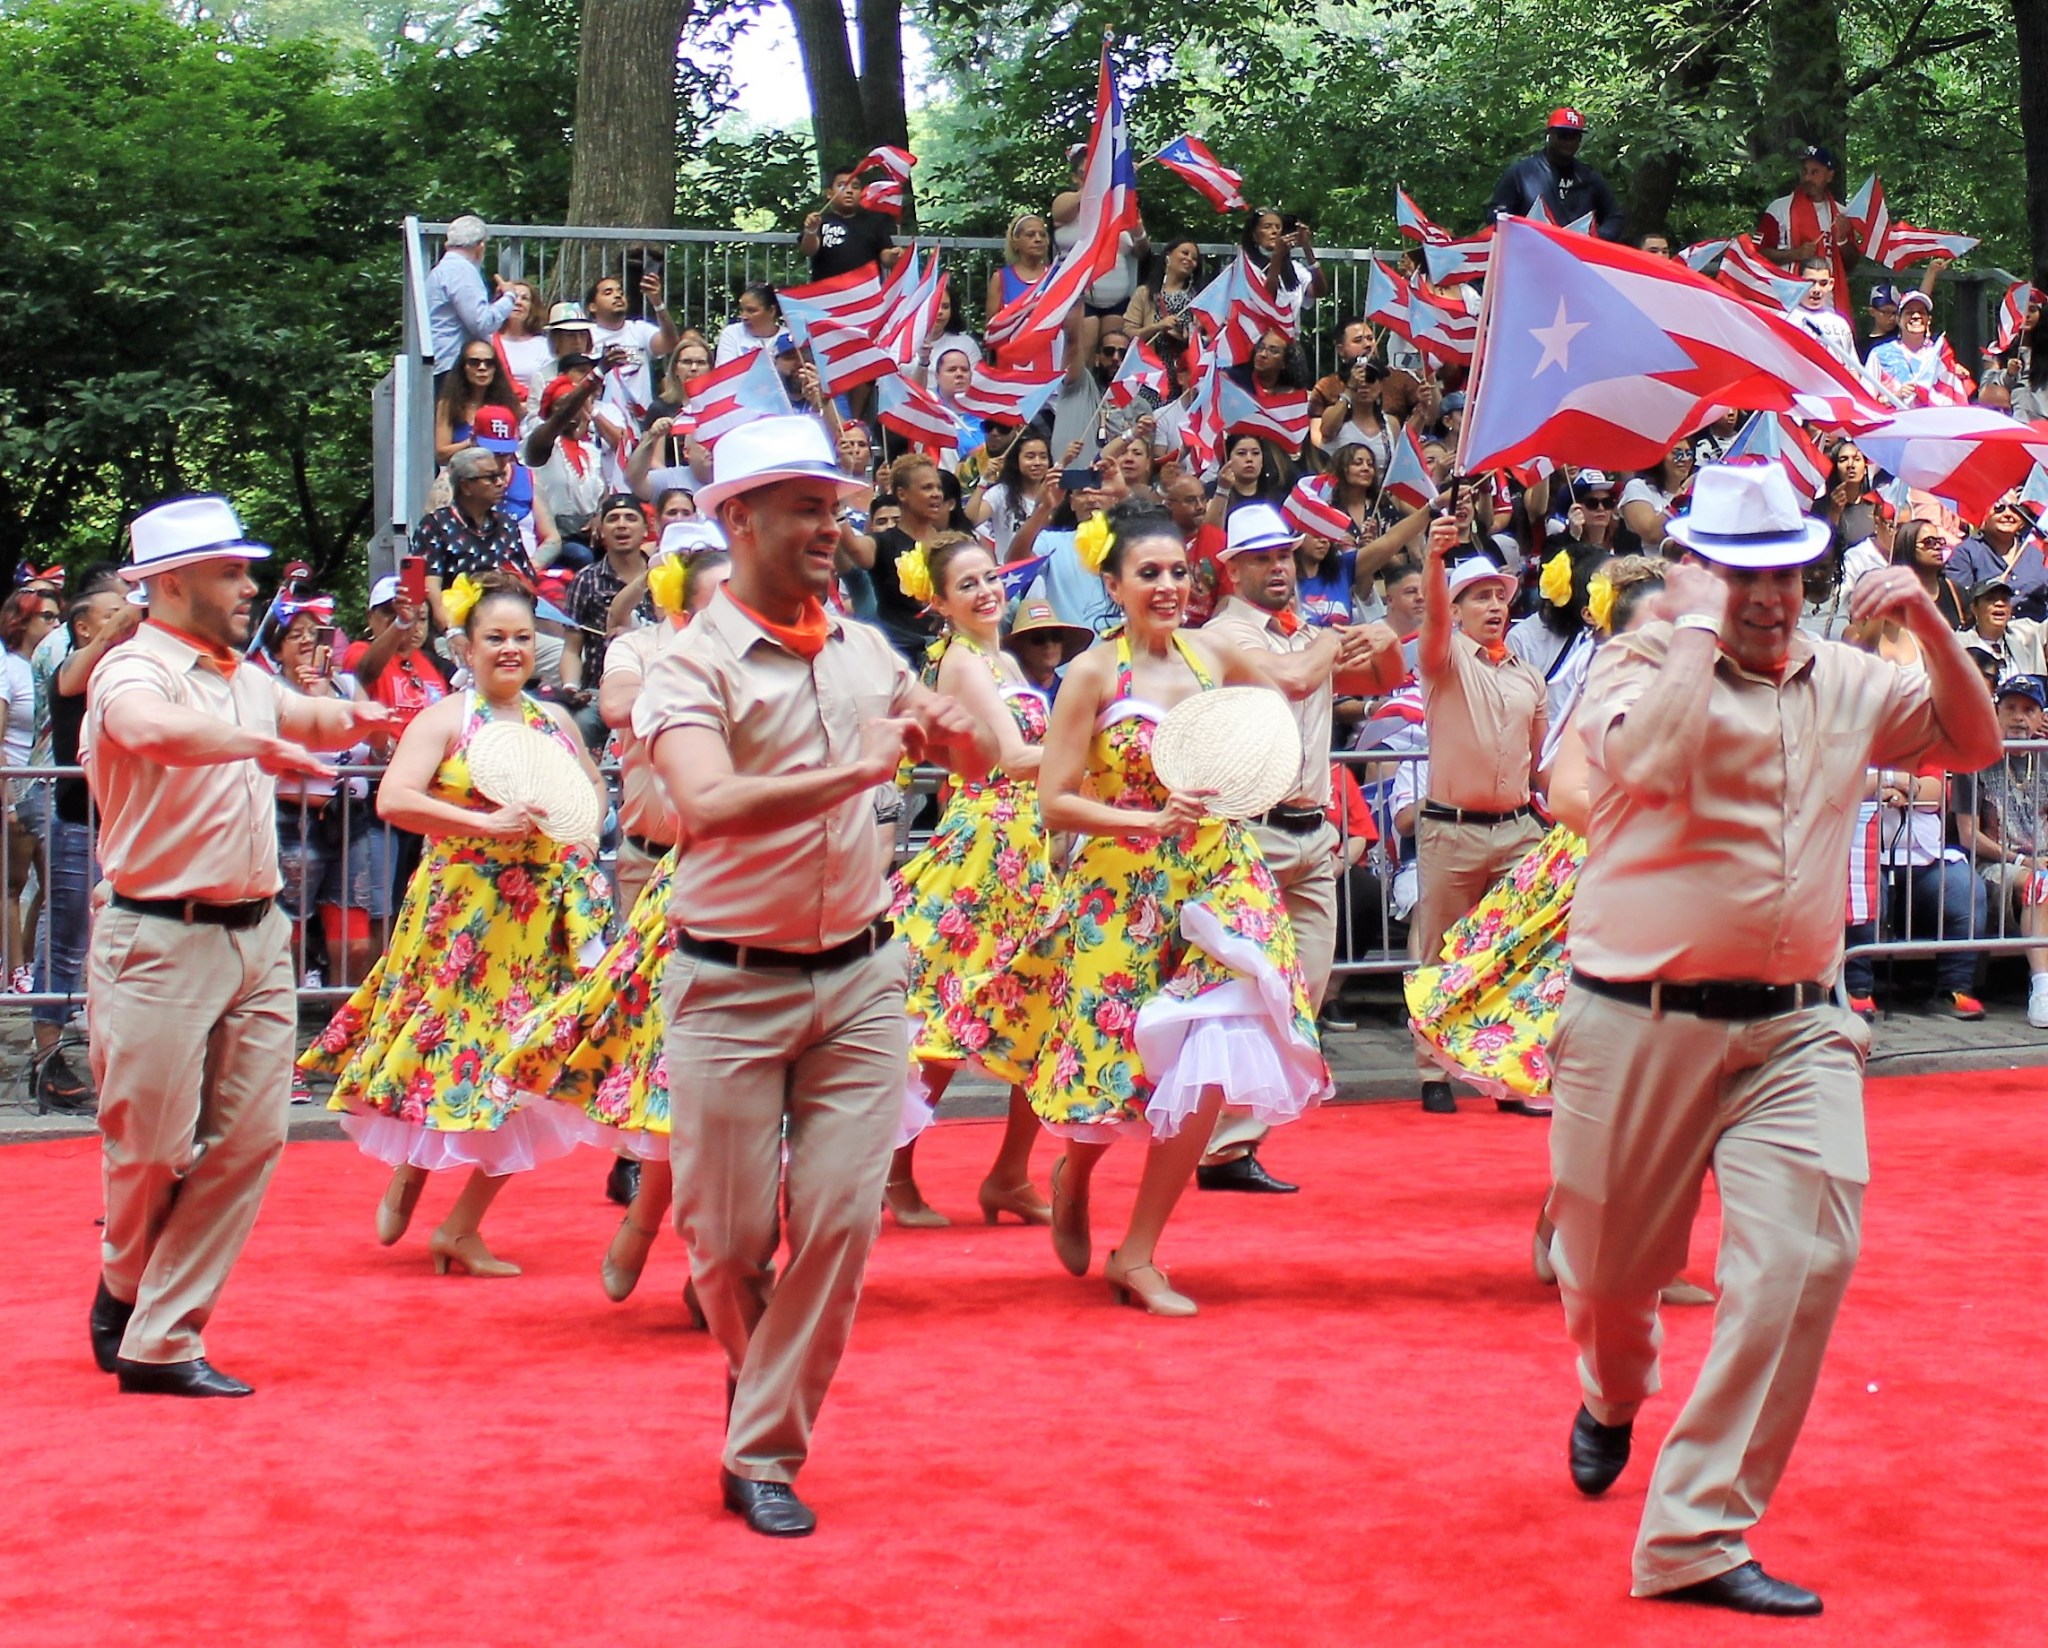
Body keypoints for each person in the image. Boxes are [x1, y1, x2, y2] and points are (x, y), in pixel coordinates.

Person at [1546, 462, 2001, 1614]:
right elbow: (1646, 767)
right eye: (1741, 572)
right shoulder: (1635, 661)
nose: (1768, 595)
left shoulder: (1844, 675)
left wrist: (1925, 620)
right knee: (1604, 1278)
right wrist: (1695, 629)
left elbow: (1970, 744)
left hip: (1798, 1029)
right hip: (1631, 1022)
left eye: (1785, 571)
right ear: (1698, 571)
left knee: (1804, 1263)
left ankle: (1695, 1529)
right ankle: (1611, 1387)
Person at [634, 413, 994, 1537]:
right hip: (727, 985)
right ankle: (759, 1395)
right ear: (738, 520)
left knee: (839, 1222)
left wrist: (950, 722)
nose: (831, 527)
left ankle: (762, 1448)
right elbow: (707, 804)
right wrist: (861, 766)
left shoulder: (865, 648)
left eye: (834, 507)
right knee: (726, 1245)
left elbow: (980, 758)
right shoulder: (685, 665)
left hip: (862, 981)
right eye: (804, 508)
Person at [954, 504, 1337, 1317]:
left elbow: (1283, 711)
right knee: (1115, 1069)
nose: (1168, 586)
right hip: (1120, 888)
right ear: (1114, 585)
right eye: (1149, 573)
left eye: (1178, 572)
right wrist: (1148, 819)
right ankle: (1075, 1170)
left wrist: (1359, 643)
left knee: (1216, 1042)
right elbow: (1055, 800)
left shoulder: (1216, 654)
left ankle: (1138, 1253)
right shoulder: (1094, 673)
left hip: (1220, 879)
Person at [86, 494, 389, 1396]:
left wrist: (370, 723)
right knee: (151, 1151)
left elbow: (309, 719)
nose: (249, 586)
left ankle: (161, 1337)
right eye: (231, 572)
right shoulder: (131, 669)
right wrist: (258, 745)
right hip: (158, 938)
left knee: (252, 1140)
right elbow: (150, 731)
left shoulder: (246, 676)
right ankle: (125, 1285)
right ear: (172, 583)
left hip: (259, 937)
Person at [300, 573, 611, 1279]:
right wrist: (483, 823)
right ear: (466, 647)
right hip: (459, 918)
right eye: (495, 637)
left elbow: (590, 787)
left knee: (531, 1069)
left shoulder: (554, 721)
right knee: (434, 1046)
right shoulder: (444, 719)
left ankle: (461, 1226)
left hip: (538, 925)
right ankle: (411, 1170)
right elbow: (394, 798)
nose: (510, 649)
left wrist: (578, 826)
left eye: (522, 637)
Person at [496, 548, 732, 1306]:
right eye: (719, 598)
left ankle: (720, 1261)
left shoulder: (792, 661)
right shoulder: (648, 653)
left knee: (759, 1086)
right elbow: (623, 703)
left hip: (777, 889)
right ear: (682, 608)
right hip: (669, 876)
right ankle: (649, 1219)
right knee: (673, 1063)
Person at [1200, 504, 1400, 1188]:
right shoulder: (1223, 635)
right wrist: (1332, 640)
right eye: (1261, 558)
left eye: (1284, 555)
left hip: (1313, 832)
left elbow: (1382, 681)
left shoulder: (1309, 634)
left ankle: (1227, 1143)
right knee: (1241, 992)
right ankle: (1215, 1141)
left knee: (1302, 993)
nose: (1278, 567)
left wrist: (1383, 636)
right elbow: (1294, 679)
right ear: (1232, 571)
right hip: (1249, 832)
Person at [883, 535, 1061, 1227]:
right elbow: (1012, 757)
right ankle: (896, 1175)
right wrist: (1092, 744)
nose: (987, 591)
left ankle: (1011, 1174)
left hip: (1022, 847)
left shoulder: (999, 659)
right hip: (985, 847)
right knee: (947, 1015)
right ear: (939, 601)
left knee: (1039, 1011)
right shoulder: (961, 661)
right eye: (968, 584)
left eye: (990, 577)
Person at [1412, 528, 1548, 1114]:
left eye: (1500, 596)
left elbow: (1539, 764)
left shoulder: (1528, 675)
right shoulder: (1444, 660)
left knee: (1513, 953)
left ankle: (1503, 1071)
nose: (1494, 606)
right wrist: (1434, 560)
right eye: (1480, 596)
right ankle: (1432, 1070)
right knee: (1440, 951)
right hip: (1453, 828)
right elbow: (1432, 623)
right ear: (1458, 607)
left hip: (1518, 829)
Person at [33, 583, 138, 1109]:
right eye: (113, 611)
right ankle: (46, 1059)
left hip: (127, 829)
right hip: (80, 826)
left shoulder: (132, 671)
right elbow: (72, 678)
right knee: (66, 943)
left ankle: (119, 1061)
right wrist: (116, 630)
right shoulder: (73, 669)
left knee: (125, 946)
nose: (127, 616)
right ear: (83, 626)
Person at [1952, 674, 2048, 1026]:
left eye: (2029, 710)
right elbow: (1969, 836)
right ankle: (2042, 991)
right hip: (1993, 867)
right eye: (2010, 708)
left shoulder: (2046, 756)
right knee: (2040, 885)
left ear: (2041, 717)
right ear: (1996, 711)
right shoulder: (1973, 756)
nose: (2019, 717)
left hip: (2042, 861)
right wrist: (2023, 860)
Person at [558, 493, 652, 744]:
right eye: (612, 519)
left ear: (646, 529)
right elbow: (572, 648)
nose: (621, 525)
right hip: (600, 692)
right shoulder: (585, 580)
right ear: (600, 530)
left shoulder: (664, 576)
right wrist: (570, 687)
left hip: (657, 686)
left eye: (630, 518)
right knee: (580, 728)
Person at [416, 447, 536, 630]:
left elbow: (527, 578)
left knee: (557, 645)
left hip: (506, 620)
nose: (500, 483)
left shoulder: (506, 524)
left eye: (501, 475)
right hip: (456, 623)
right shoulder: (436, 525)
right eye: (491, 478)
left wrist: (506, 580)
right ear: (466, 486)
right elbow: (430, 584)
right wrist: (450, 631)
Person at [1754, 144, 1864, 315]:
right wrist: (1795, 254)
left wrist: (1842, 241)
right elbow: (1758, 255)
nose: (1808, 178)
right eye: (1805, 172)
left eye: (1815, 172)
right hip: (1787, 305)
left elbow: (1851, 263)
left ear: (1829, 175)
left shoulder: (1840, 213)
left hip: (1827, 306)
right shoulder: (1779, 209)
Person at [1487, 109, 1624, 239]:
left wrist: (1596, 239)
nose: (1569, 142)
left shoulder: (1589, 177)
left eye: (1575, 137)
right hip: (1531, 250)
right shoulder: (1521, 174)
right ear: (1549, 135)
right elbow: (1496, 216)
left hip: (1575, 253)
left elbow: (1614, 216)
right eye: (1562, 136)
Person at [426, 215, 527, 381]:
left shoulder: (441, 270)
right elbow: (482, 323)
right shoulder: (462, 271)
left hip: (442, 361)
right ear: (480, 247)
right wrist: (509, 297)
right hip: (454, 366)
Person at [585, 270, 680, 429]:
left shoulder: (639, 330)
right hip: (600, 426)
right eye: (608, 293)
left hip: (641, 426)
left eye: (620, 292)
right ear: (592, 306)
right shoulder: (586, 336)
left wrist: (658, 304)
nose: (617, 296)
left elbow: (670, 343)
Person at [799, 161, 900, 280]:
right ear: (829, 193)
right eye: (842, 186)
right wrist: (811, 231)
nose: (849, 191)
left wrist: (894, 255)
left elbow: (885, 257)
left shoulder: (874, 221)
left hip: (865, 288)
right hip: (828, 289)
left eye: (855, 187)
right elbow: (808, 251)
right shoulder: (820, 221)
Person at [434, 344, 524, 467]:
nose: (482, 368)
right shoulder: (448, 405)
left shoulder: (507, 405)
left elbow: (514, 451)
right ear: (463, 367)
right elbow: (441, 455)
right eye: (474, 363)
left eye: (489, 363)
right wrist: (472, 442)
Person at [1002, 600, 1093, 706]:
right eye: (1038, 638)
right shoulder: (1009, 697)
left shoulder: (1077, 695)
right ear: (1020, 646)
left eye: (1056, 637)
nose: (1049, 644)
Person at [1784, 255, 1862, 374]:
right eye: (1810, 283)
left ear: (1831, 284)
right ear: (1799, 281)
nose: (1816, 289)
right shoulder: (1785, 319)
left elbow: (1852, 368)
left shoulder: (1840, 323)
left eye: (1823, 283)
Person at [713, 283, 788, 367]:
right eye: (742, 310)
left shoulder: (790, 337)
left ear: (772, 311)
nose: (744, 316)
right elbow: (725, 371)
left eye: (751, 310)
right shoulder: (732, 333)